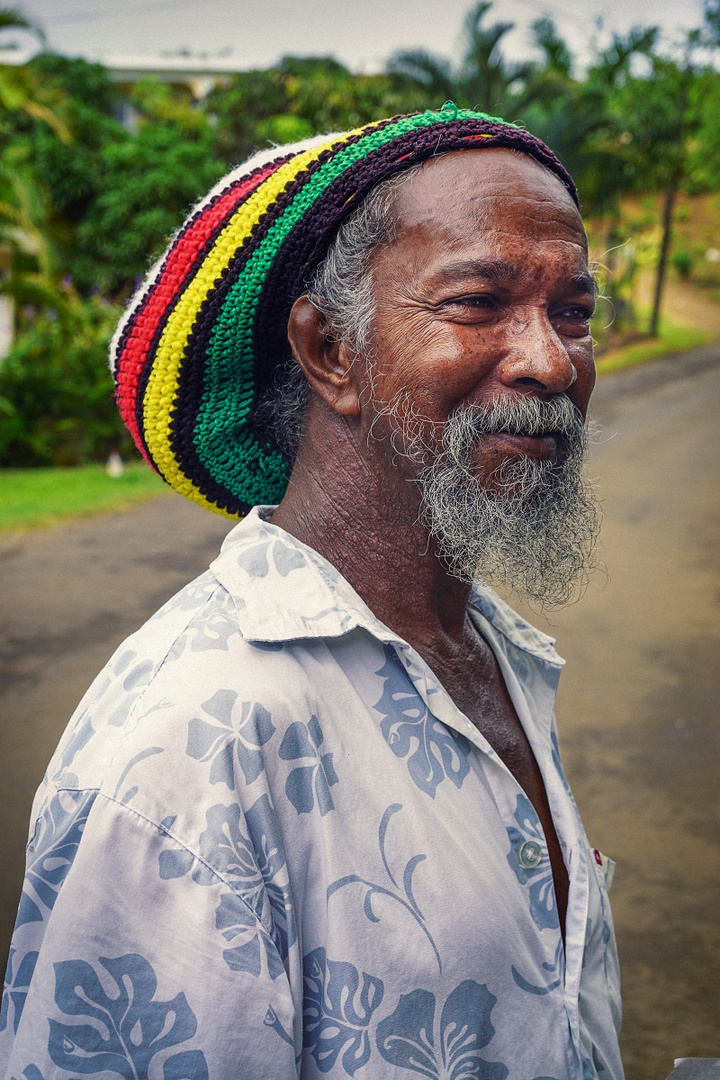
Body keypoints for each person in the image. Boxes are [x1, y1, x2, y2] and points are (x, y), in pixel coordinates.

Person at [0, 106, 622, 1079]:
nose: (551, 360)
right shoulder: (191, 750)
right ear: (331, 352)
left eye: (572, 312)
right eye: (477, 302)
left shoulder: (491, 650)